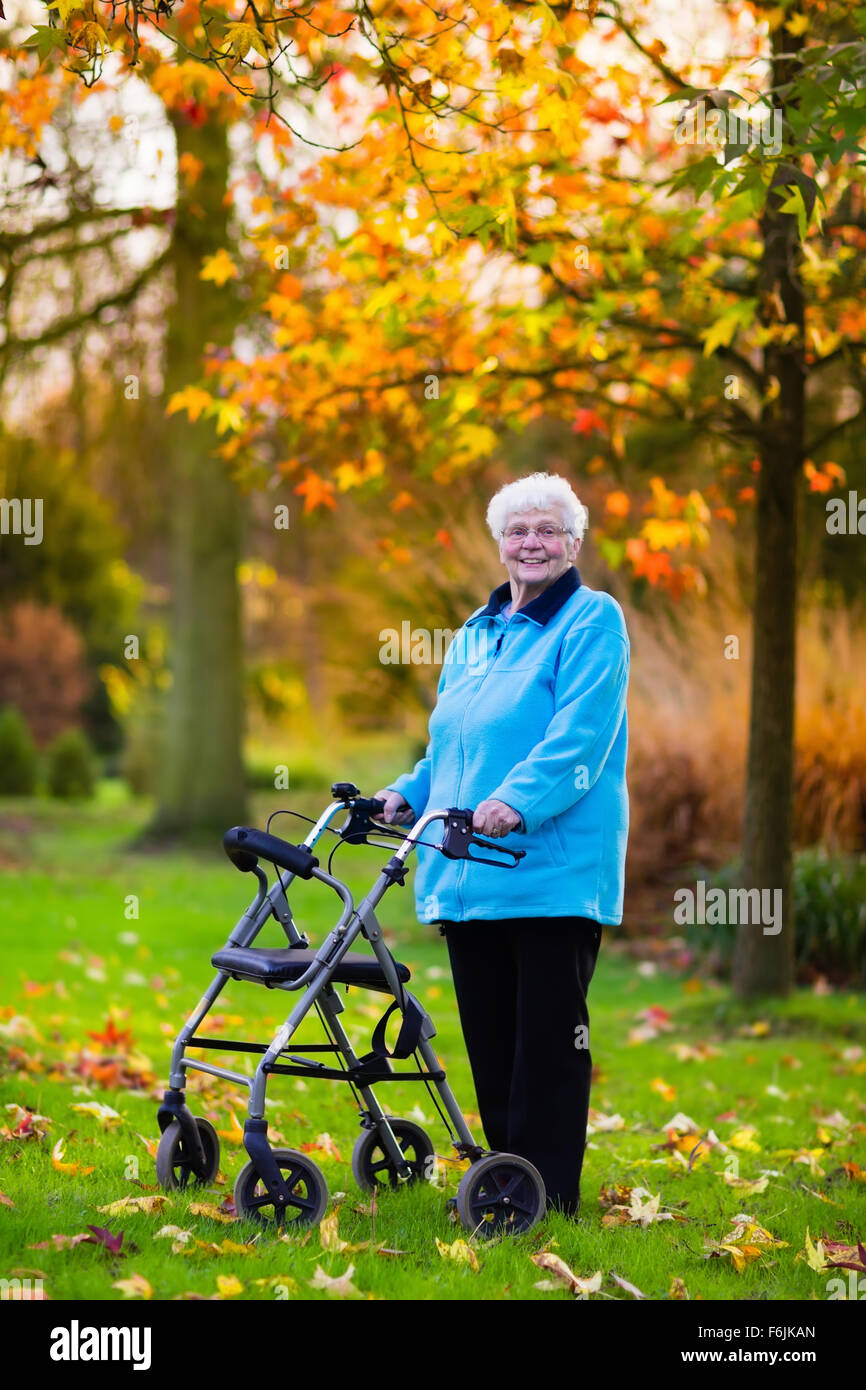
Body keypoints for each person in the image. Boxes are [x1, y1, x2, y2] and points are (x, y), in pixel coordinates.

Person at [374, 470, 629, 1219]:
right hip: (468, 874)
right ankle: (505, 1187)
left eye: (547, 529)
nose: (532, 543)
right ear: (499, 545)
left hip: (549, 873)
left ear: (574, 542)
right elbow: (449, 752)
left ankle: (544, 1199)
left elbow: (579, 735)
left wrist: (516, 801)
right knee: (491, 1045)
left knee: (546, 1052)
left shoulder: (591, 620)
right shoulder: (475, 635)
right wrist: (407, 795)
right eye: (517, 531)